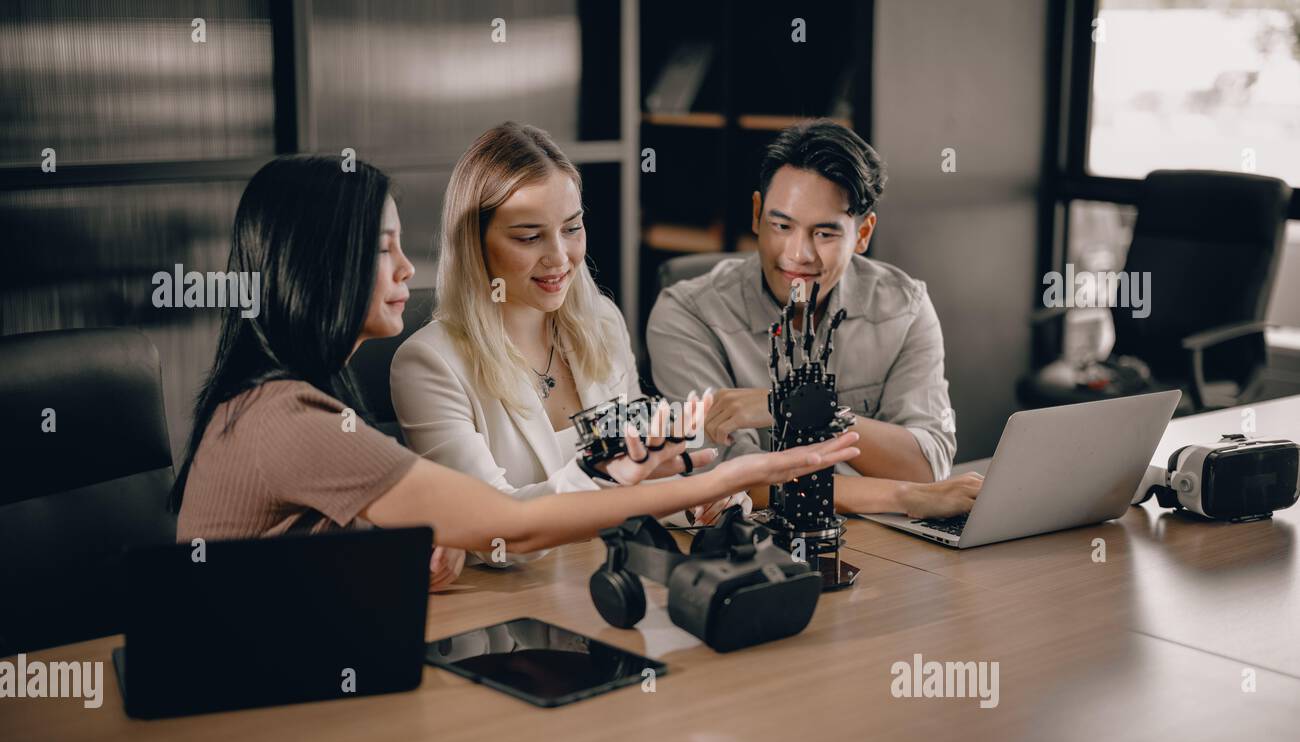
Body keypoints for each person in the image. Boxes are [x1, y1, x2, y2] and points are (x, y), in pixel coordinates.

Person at [171, 154, 858, 592]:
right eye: (382, 250)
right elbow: (512, 527)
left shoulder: (287, 401)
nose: (407, 270)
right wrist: (727, 475)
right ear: (322, 269)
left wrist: (417, 550)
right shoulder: (287, 418)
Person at [391, 123, 747, 567]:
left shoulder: (602, 323)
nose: (559, 257)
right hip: (514, 601)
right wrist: (605, 477)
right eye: (529, 237)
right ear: (475, 244)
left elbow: (639, 475)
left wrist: (697, 500)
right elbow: (493, 533)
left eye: (572, 228)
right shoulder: (428, 363)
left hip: (602, 581)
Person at [647, 119, 981, 519]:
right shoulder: (686, 315)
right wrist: (900, 496)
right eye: (781, 225)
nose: (797, 254)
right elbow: (727, 482)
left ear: (863, 234)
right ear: (756, 214)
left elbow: (927, 465)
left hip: (883, 536)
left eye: (824, 234)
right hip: (760, 542)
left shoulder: (904, 307)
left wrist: (803, 410)